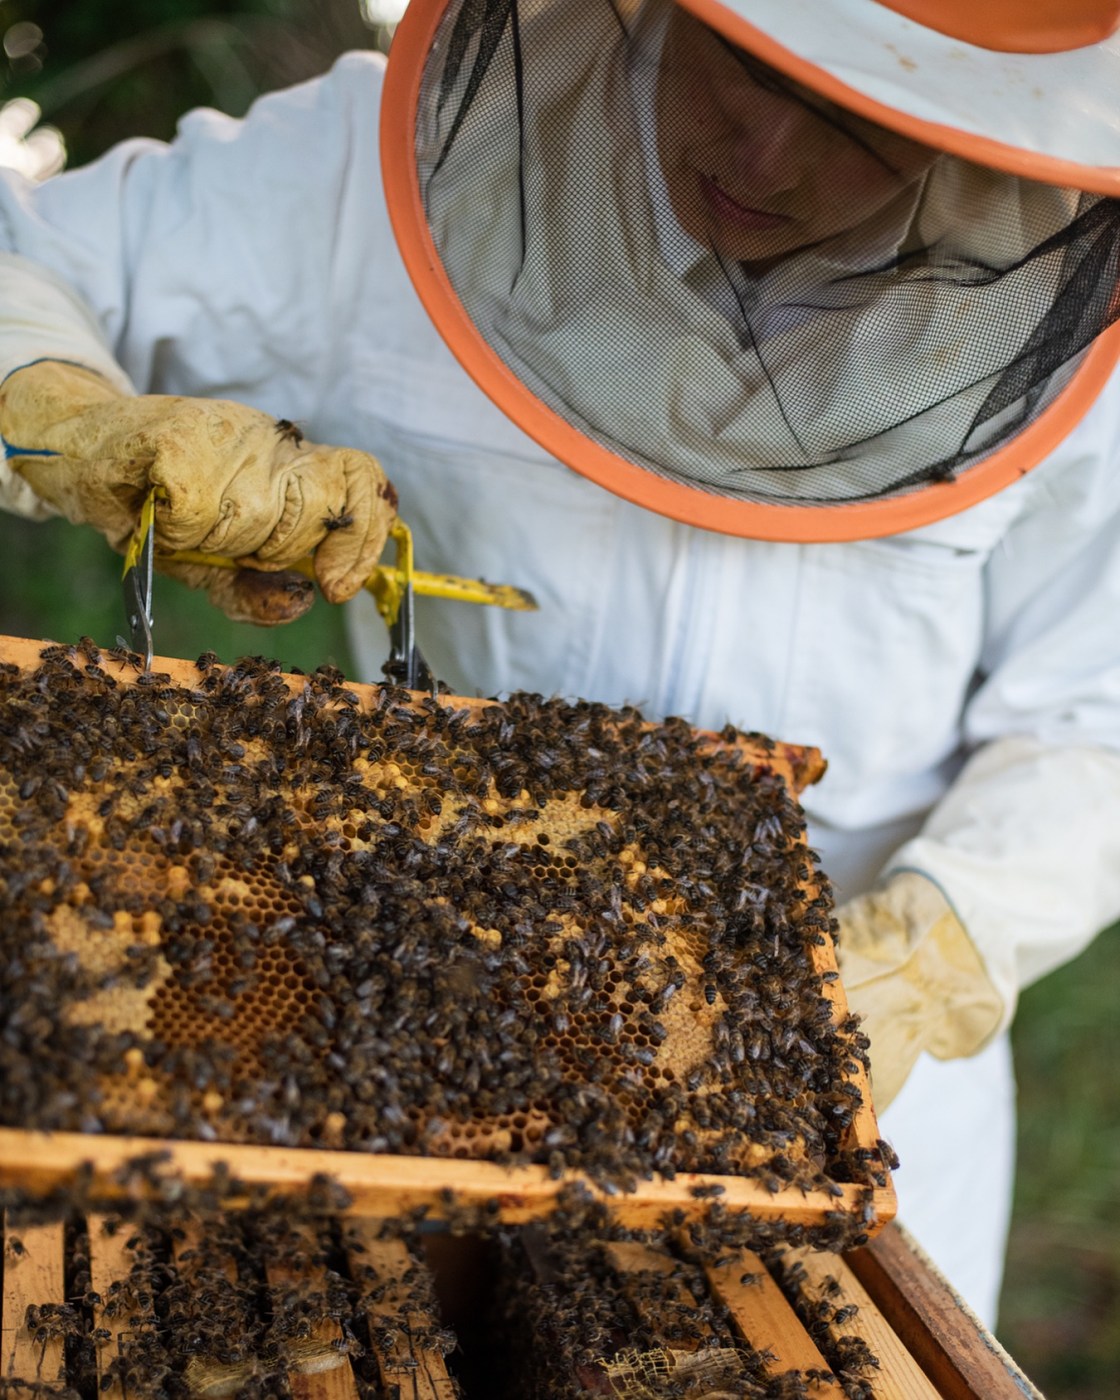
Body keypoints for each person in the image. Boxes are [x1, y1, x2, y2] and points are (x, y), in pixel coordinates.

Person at [3, 0, 1120, 1330]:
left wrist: (947, 940)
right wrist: (63, 409)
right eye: (745, 67)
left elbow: (1093, 714)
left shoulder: (1081, 344)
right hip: (407, 1022)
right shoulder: (379, 168)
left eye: (858, 124)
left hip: (840, 1090)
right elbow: (26, 259)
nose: (763, 159)